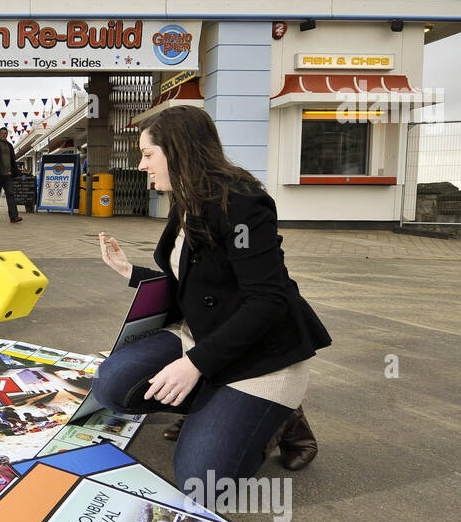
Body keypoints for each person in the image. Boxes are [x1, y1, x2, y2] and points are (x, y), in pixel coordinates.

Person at [93, 105, 329, 492]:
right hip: (201, 336)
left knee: (202, 481)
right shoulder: (185, 199)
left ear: (179, 151)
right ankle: (213, 403)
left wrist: (195, 364)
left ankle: (280, 417)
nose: (140, 165)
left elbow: (268, 300)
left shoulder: (243, 204)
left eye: (148, 154)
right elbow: (198, 284)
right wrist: (130, 273)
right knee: (112, 384)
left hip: (260, 356)